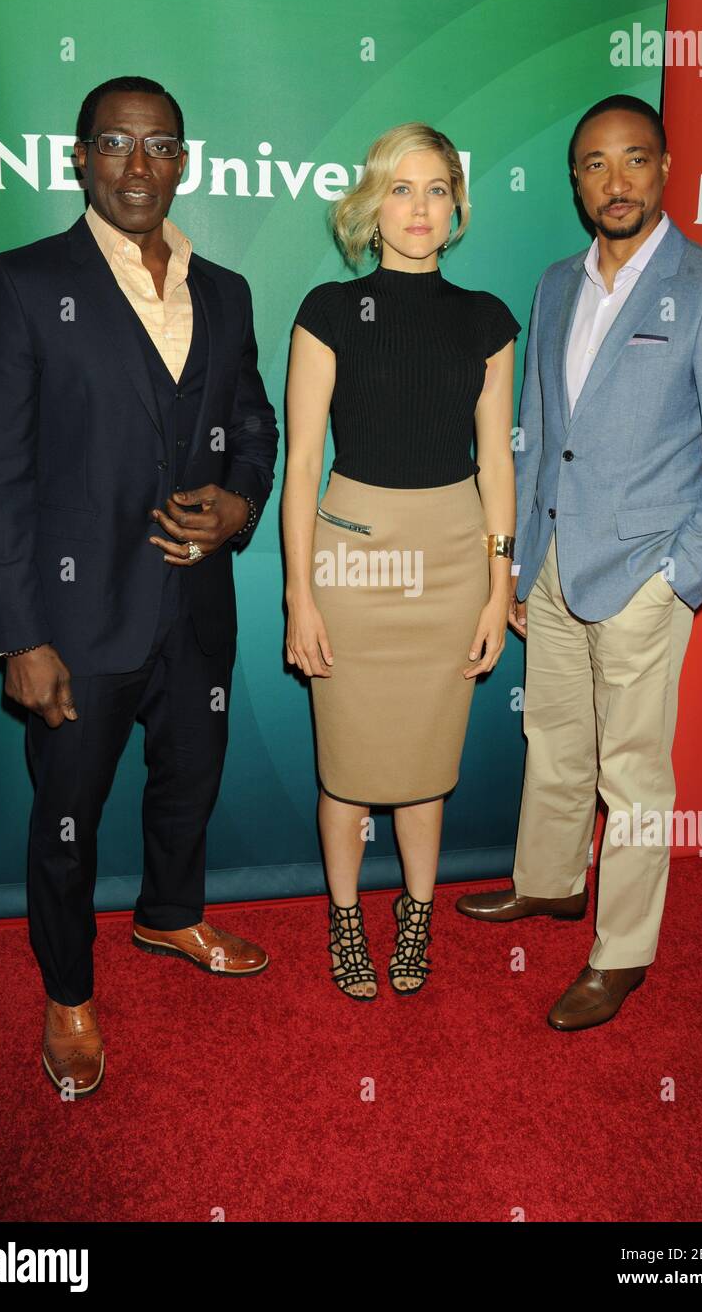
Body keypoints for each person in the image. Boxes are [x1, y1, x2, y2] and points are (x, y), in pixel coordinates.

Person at [0, 76, 279, 1094]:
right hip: (74, 622)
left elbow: (254, 424)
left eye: (159, 148)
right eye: (114, 144)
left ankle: (170, 915)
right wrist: (20, 636)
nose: (137, 168)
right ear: (79, 158)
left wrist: (237, 506)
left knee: (188, 783)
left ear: (184, 162)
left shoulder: (224, 290)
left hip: (198, 611)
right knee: (67, 820)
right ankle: (68, 994)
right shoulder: (17, 283)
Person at [457, 94, 702, 1029]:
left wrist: (677, 576)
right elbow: (534, 437)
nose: (615, 181)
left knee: (632, 774)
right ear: (574, 181)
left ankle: (622, 951)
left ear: (666, 167)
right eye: (594, 164)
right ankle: (551, 883)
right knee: (552, 741)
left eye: (633, 160)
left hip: (641, 572)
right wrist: (517, 567)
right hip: (555, 563)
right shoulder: (555, 283)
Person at [283, 122, 519, 1000]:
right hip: (352, 556)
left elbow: (497, 462)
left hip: (455, 556)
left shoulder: (488, 320)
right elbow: (302, 463)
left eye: (436, 189)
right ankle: (346, 917)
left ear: (457, 207)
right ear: (371, 203)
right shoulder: (330, 311)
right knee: (347, 763)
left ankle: (416, 913)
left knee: (427, 760)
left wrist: (499, 586)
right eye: (400, 187)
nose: (419, 207)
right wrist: (298, 594)